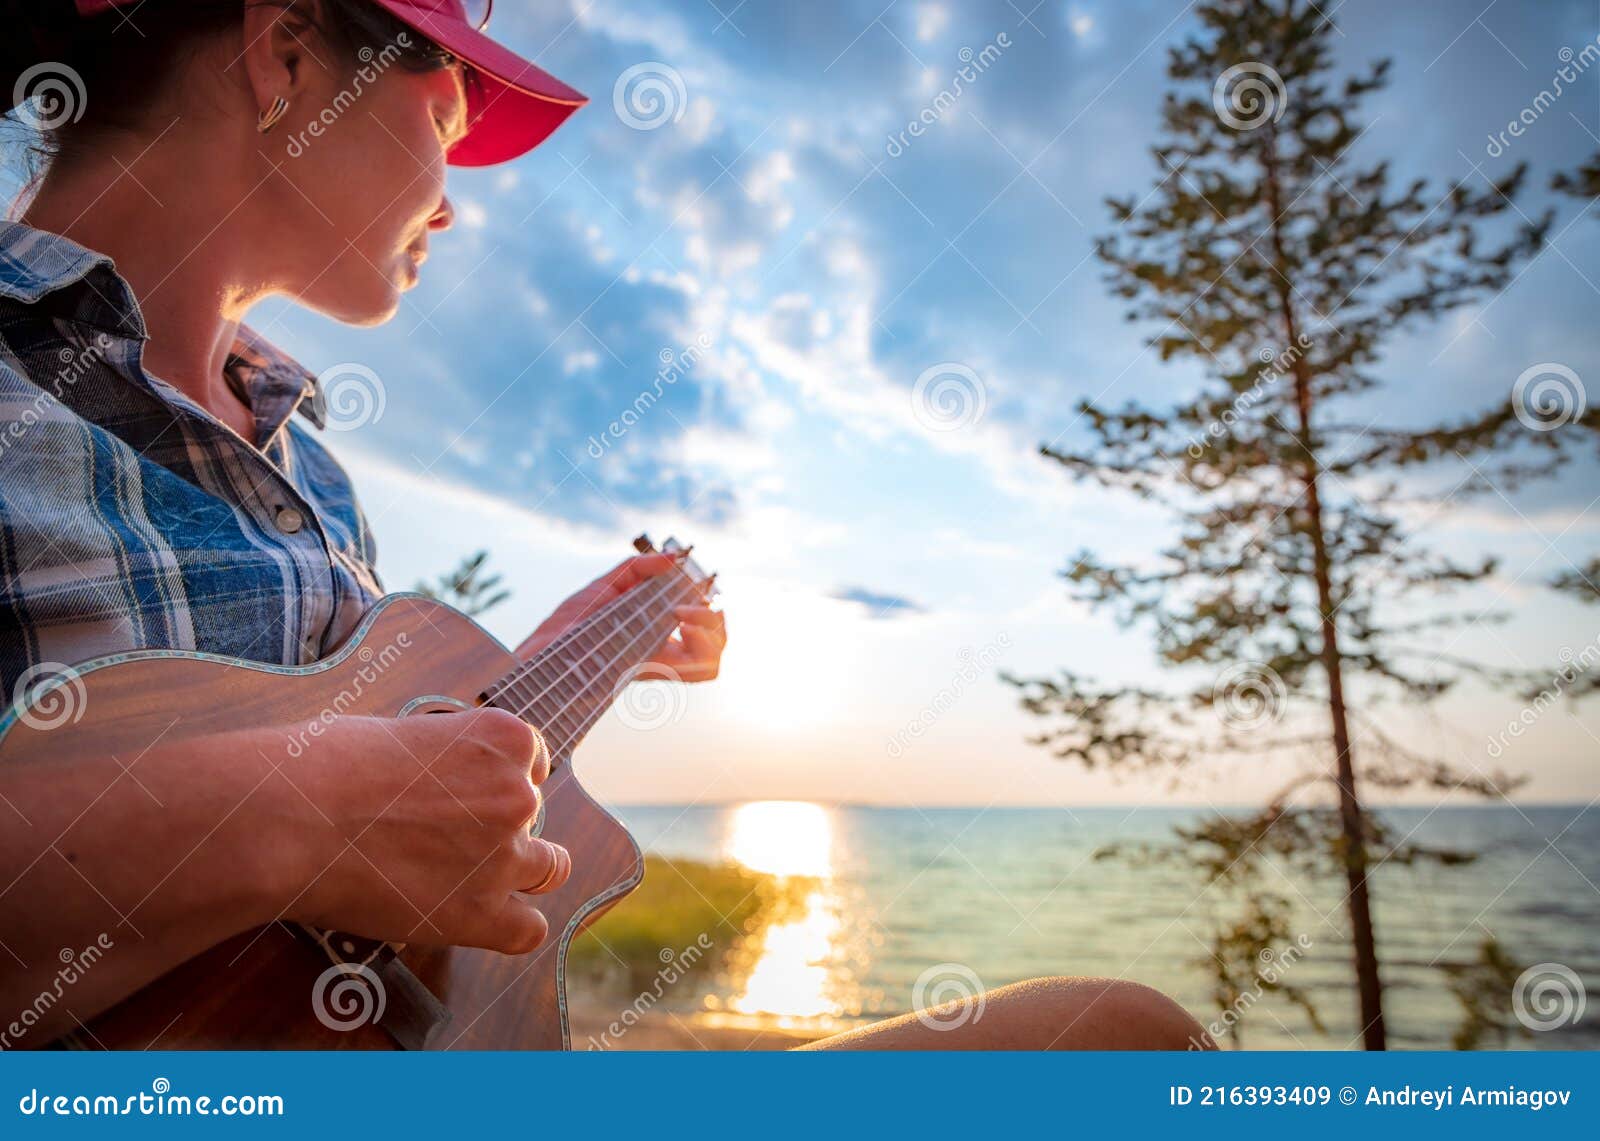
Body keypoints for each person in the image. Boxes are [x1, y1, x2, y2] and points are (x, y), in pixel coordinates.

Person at [0, 0, 1212, 1051]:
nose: (457, 205)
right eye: (447, 126)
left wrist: (568, 660)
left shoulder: (304, 457)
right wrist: (298, 812)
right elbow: (323, 803)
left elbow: (364, 826)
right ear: (290, 60)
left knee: (1122, 1040)